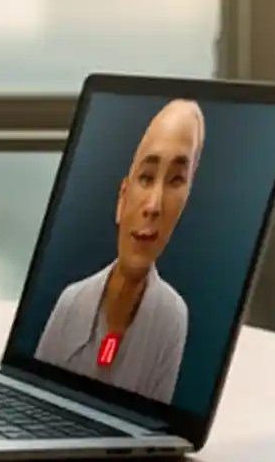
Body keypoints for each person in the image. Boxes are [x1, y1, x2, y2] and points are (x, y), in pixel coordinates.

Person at [34, 99, 205, 404]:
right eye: (146, 177)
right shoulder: (71, 302)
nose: (153, 206)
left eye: (176, 180)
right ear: (122, 199)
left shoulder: (172, 318)